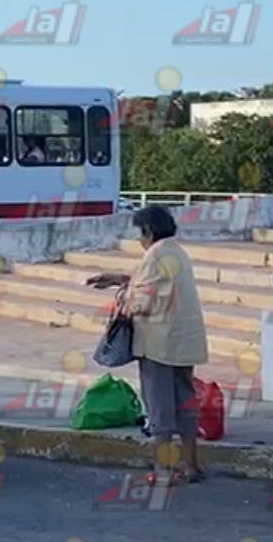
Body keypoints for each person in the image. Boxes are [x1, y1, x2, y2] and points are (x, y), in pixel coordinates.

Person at [86, 206, 209, 485]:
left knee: (159, 411)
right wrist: (120, 279)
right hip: (183, 342)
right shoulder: (176, 251)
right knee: (186, 405)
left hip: (158, 343)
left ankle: (164, 471)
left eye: (139, 233)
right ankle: (191, 467)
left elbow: (142, 302)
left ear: (148, 232)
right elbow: (158, 284)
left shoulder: (154, 255)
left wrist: (122, 298)